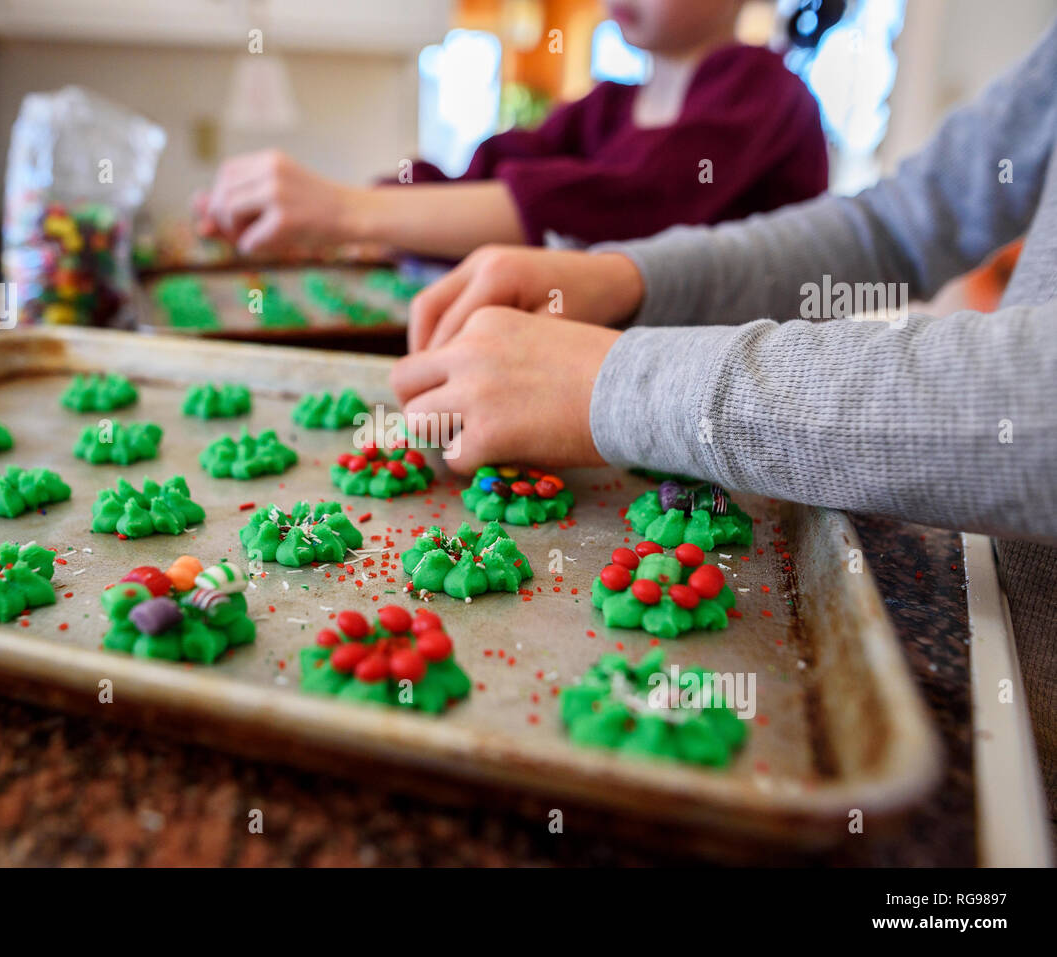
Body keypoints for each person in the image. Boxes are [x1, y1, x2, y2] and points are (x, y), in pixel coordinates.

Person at [393, 17, 1057, 814]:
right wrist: (624, 277)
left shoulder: (760, 92)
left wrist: (618, 382)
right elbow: (895, 224)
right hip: (1001, 634)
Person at [193, 0, 830, 258]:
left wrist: (347, 212)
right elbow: (479, 177)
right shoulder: (605, 107)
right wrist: (320, 208)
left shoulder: (764, 91)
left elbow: (626, 202)